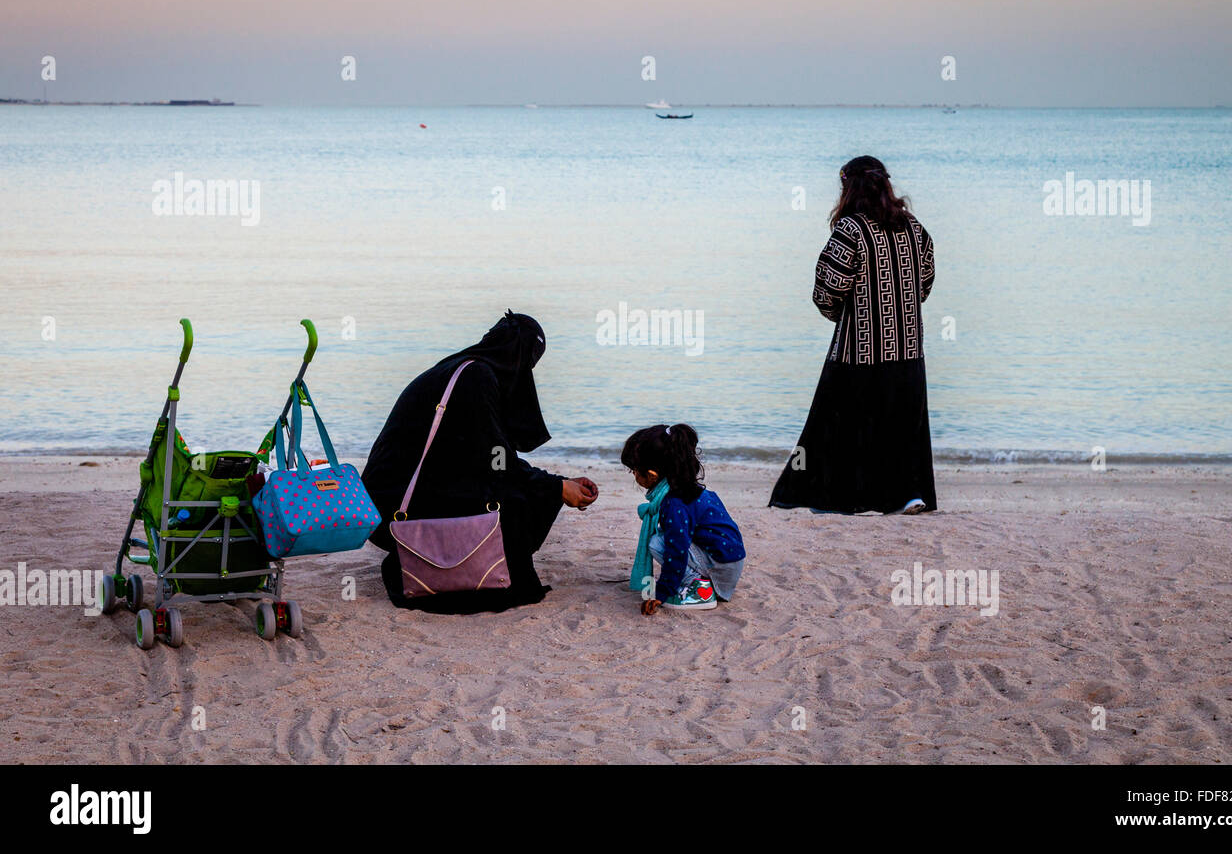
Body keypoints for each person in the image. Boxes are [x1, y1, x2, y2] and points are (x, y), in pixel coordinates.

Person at [362, 311, 598, 613]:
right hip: (395, 511)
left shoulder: (459, 368)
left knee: (517, 486)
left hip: (382, 501)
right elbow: (498, 463)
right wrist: (557, 487)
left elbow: (487, 457)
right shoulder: (477, 377)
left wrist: (558, 483)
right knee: (519, 498)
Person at [769, 155, 937, 515]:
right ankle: (907, 495)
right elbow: (924, 284)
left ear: (849, 188)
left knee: (841, 426)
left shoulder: (851, 230)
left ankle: (842, 498)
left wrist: (843, 316)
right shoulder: (914, 228)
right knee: (902, 426)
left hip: (858, 349)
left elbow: (826, 289)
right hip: (908, 349)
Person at [621, 423, 745, 614]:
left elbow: (676, 551)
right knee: (666, 537)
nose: (634, 474)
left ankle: (699, 589)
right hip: (730, 562)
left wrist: (662, 592)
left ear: (652, 475)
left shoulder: (674, 504)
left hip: (721, 569)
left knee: (657, 543)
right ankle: (697, 579)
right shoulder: (692, 490)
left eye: (634, 470)